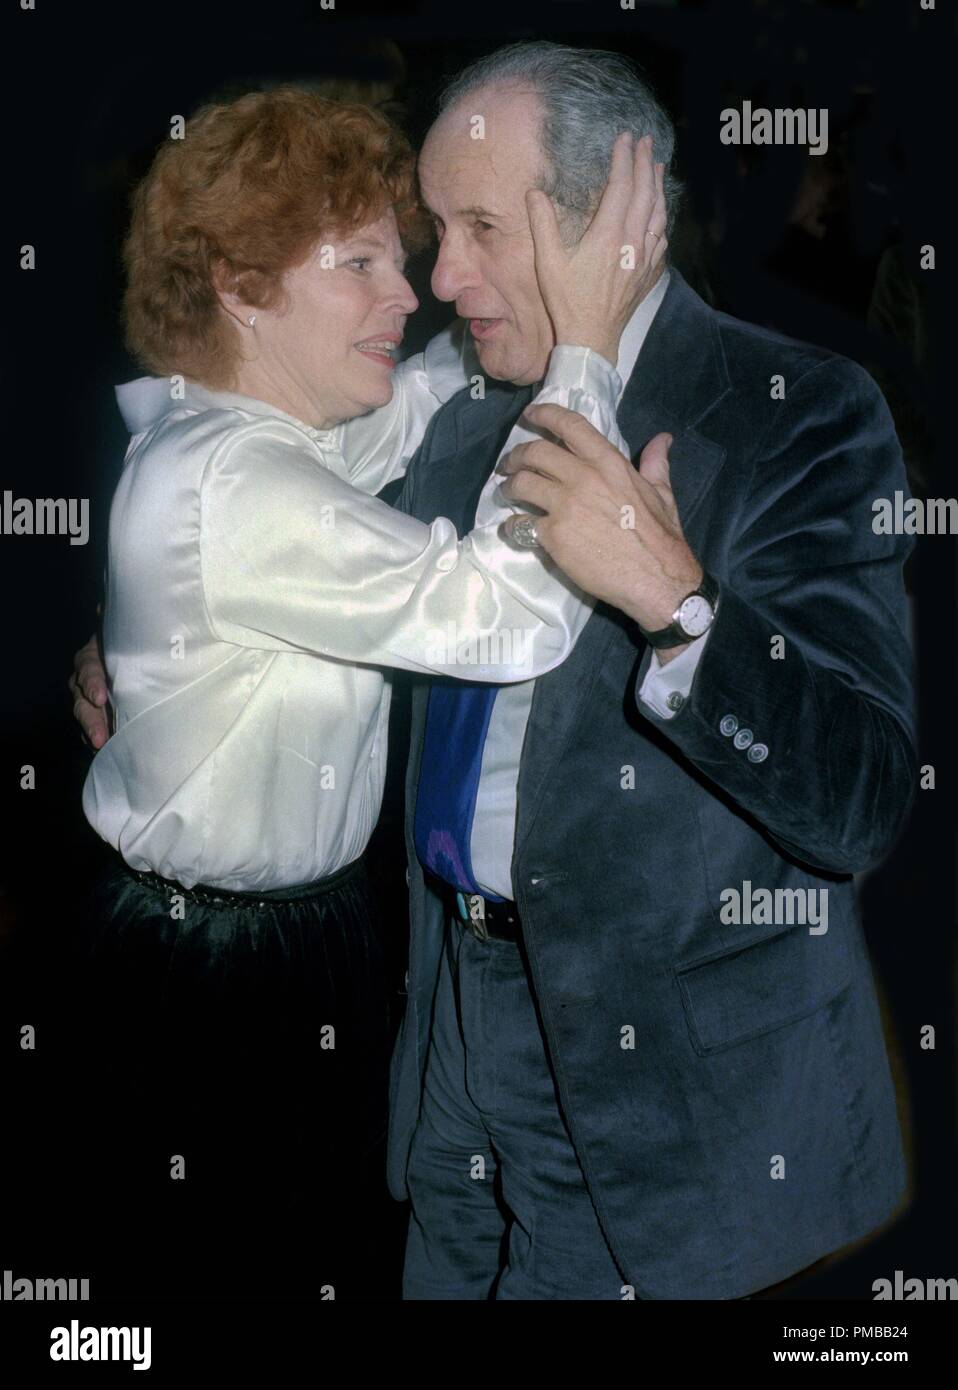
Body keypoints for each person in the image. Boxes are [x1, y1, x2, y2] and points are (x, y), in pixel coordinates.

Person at [74, 43, 916, 1302]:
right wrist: (138, 645)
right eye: (425, 233)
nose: (436, 276)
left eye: (475, 227)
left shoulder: (797, 410)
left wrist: (677, 607)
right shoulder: (468, 405)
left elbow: (860, 800)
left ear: (604, 227)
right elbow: (259, 512)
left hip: (653, 1089)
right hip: (441, 1030)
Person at [69, 82, 667, 1300]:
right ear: (239, 287)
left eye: (407, 259)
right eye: (360, 264)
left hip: (290, 930)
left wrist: (530, 288)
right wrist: (592, 347)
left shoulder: (255, 429)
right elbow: (503, 612)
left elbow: (413, 406)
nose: (411, 293)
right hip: (219, 969)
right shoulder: (240, 483)